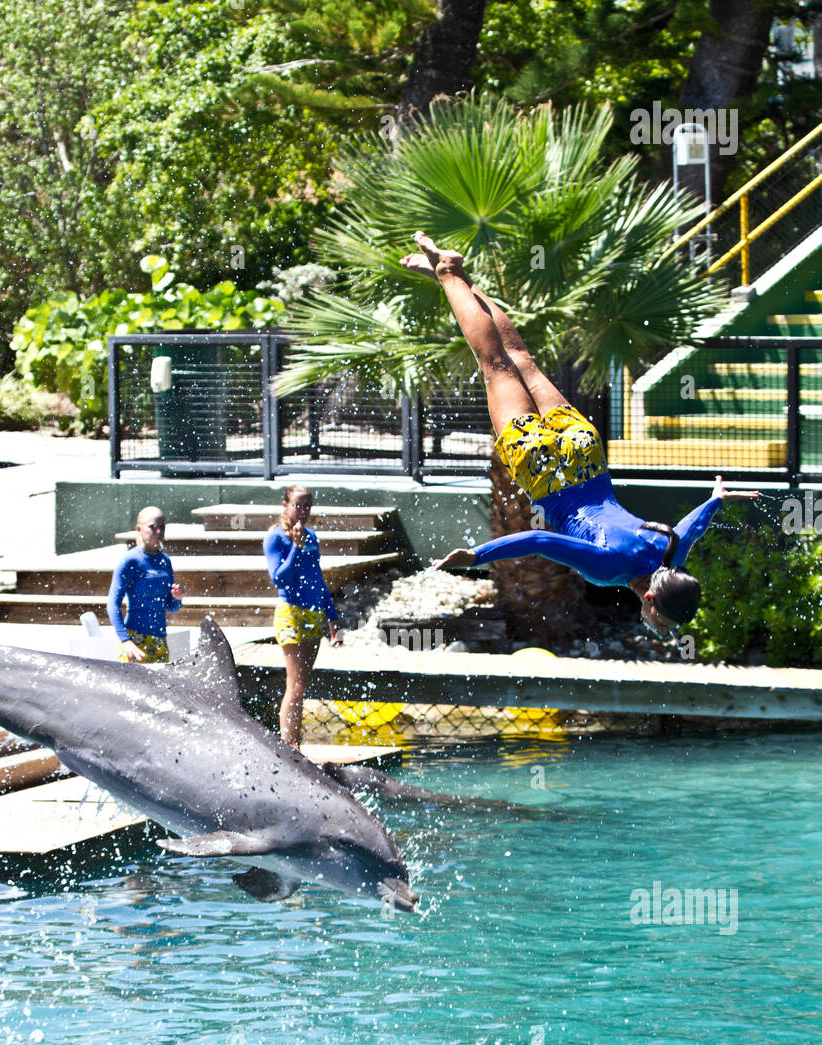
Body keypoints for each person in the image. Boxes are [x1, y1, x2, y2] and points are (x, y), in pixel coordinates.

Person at [401, 232, 759, 637]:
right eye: (662, 623)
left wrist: (715, 501)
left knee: (521, 358)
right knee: (496, 364)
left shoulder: (669, 552)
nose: (660, 630)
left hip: (584, 452)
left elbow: (691, 529)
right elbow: (539, 538)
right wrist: (477, 555)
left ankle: (455, 277)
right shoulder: (610, 573)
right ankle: (448, 271)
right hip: (545, 471)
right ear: (650, 600)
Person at [263, 486, 343, 749]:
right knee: (294, 685)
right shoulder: (275, 538)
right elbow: (279, 578)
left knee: (302, 686)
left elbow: (318, 579)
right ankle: (289, 747)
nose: (303, 511)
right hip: (291, 615)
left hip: (314, 614)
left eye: (307, 505)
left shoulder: (312, 536)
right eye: (297, 505)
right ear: (284, 505)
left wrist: (332, 618)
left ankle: (295, 743)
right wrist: (296, 547)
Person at [106, 506, 184, 663]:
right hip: (135, 642)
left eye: (161, 527)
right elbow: (112, 604)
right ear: (138, 528)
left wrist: (177, 598)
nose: (158, 532)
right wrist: (125, 641)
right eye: (152, 527)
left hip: (160, 641)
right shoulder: (130, 560)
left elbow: (171, 607)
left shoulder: (164, 561)